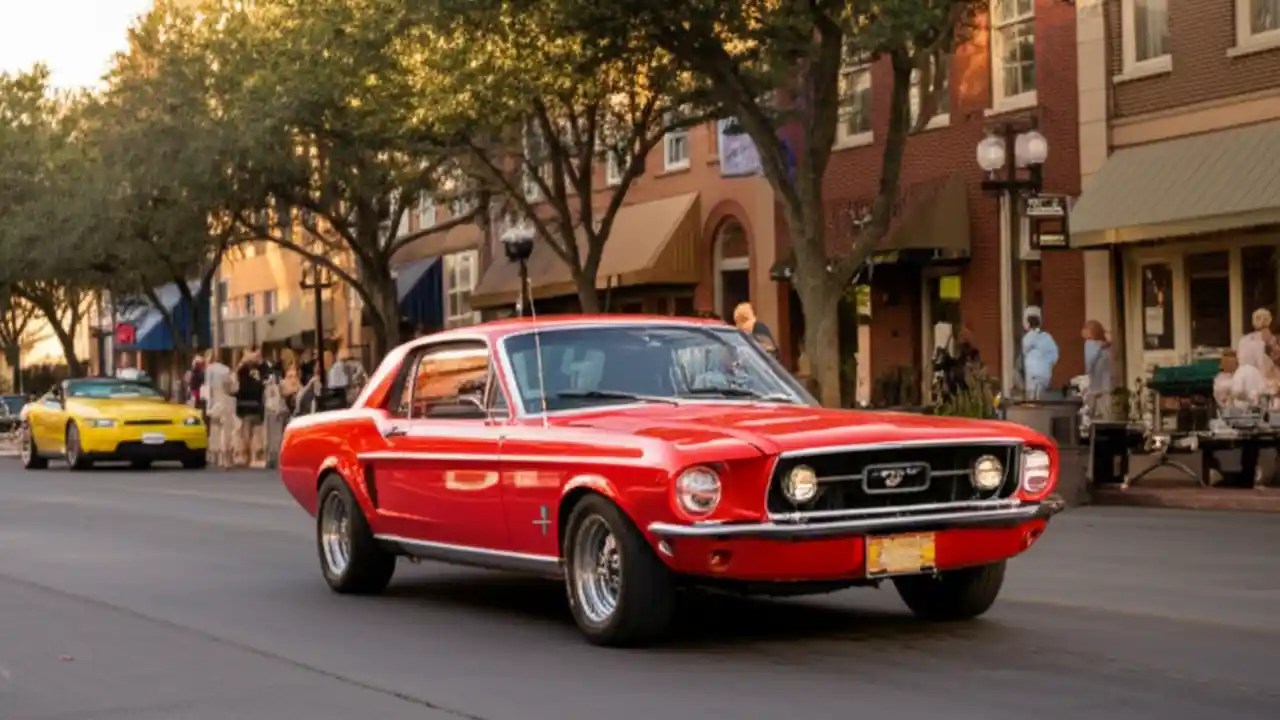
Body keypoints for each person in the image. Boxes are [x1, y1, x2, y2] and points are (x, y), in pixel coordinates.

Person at [233, 350, 266, 467]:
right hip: (256, 404)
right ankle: (253, 456)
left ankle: (247, 456)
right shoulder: (260, 371)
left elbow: (237, 374)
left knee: (247, 432)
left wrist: (245, 360)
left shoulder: (242, 372)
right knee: (255, 432)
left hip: (246, 405)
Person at [204, 352, 236, 470]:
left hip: (214, 401)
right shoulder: (227, 370)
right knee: (225, 430)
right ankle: (225, 458)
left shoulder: (209, 369)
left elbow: (208, 388)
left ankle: (216, 457)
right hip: (226, 400)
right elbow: (233, 389)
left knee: (215, 429)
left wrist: (208, 404)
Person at [1021, 306, 1059, 400]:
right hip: (1042, 374)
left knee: (1034, 400)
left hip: (1035, 375)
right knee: (1038, 399)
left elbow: (1025, 349)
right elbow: (1054, 355)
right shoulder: (1046, 337)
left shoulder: (1031, 337)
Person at [1237, 308, 1278, 382]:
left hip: (1244, 376)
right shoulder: (1267, 336)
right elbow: (1276, 354)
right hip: (1263, 376)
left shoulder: (1244, 339)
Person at [1082, 320, 1113, 420]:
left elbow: (1089, 364)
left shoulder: (1090, 345)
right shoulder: (1106, 347)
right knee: (1106, 411)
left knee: (1089, 412)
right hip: (1105, 383)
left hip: (1094, 382)